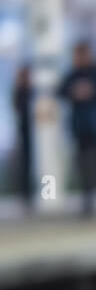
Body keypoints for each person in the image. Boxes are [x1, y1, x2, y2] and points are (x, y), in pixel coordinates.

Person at [58, 41, 96, 217]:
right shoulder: (73, 74)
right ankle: (88, 203)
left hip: (95, 125)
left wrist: (91, 91)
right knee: (83, 166)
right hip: (79, 127)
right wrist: (74, 92)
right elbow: (60, 91)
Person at [10, 64, 34, 212]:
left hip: (35, 132)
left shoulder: (32, 90)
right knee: (25, 164)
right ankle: (26, 194)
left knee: (33, 162)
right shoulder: (20, 91)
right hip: (24, 131)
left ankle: (46, 193)